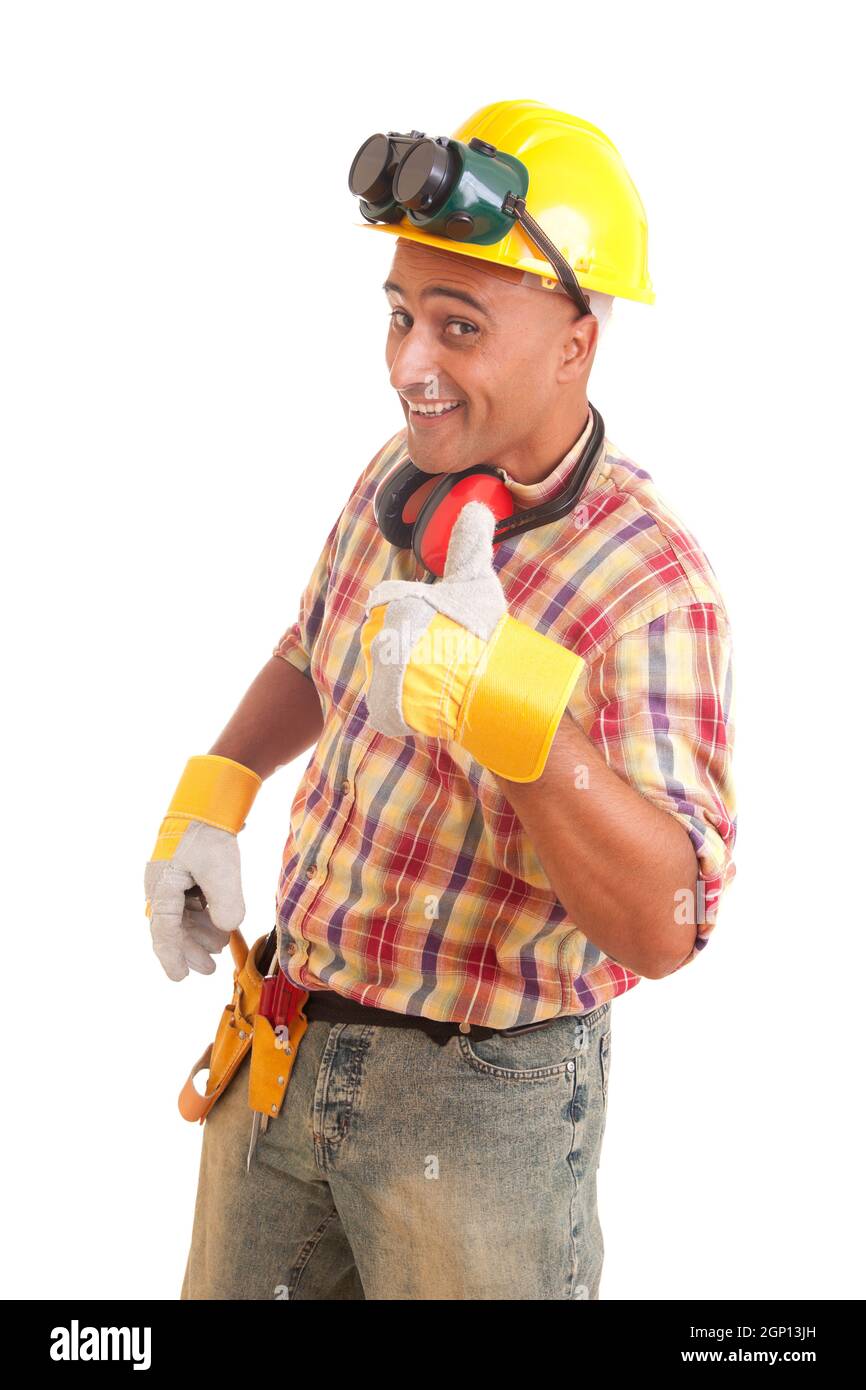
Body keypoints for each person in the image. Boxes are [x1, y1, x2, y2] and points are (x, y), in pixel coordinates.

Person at [145, 100, 737, 1301]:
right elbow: (312, 649)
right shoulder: (402, 473)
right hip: (286, 1042)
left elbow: (665, 924)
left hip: (480, 1112)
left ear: (575, 342)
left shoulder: (651, 580)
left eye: (458, 326)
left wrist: (511, 711)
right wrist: (214, 789)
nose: (410, 362)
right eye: (401, 315)